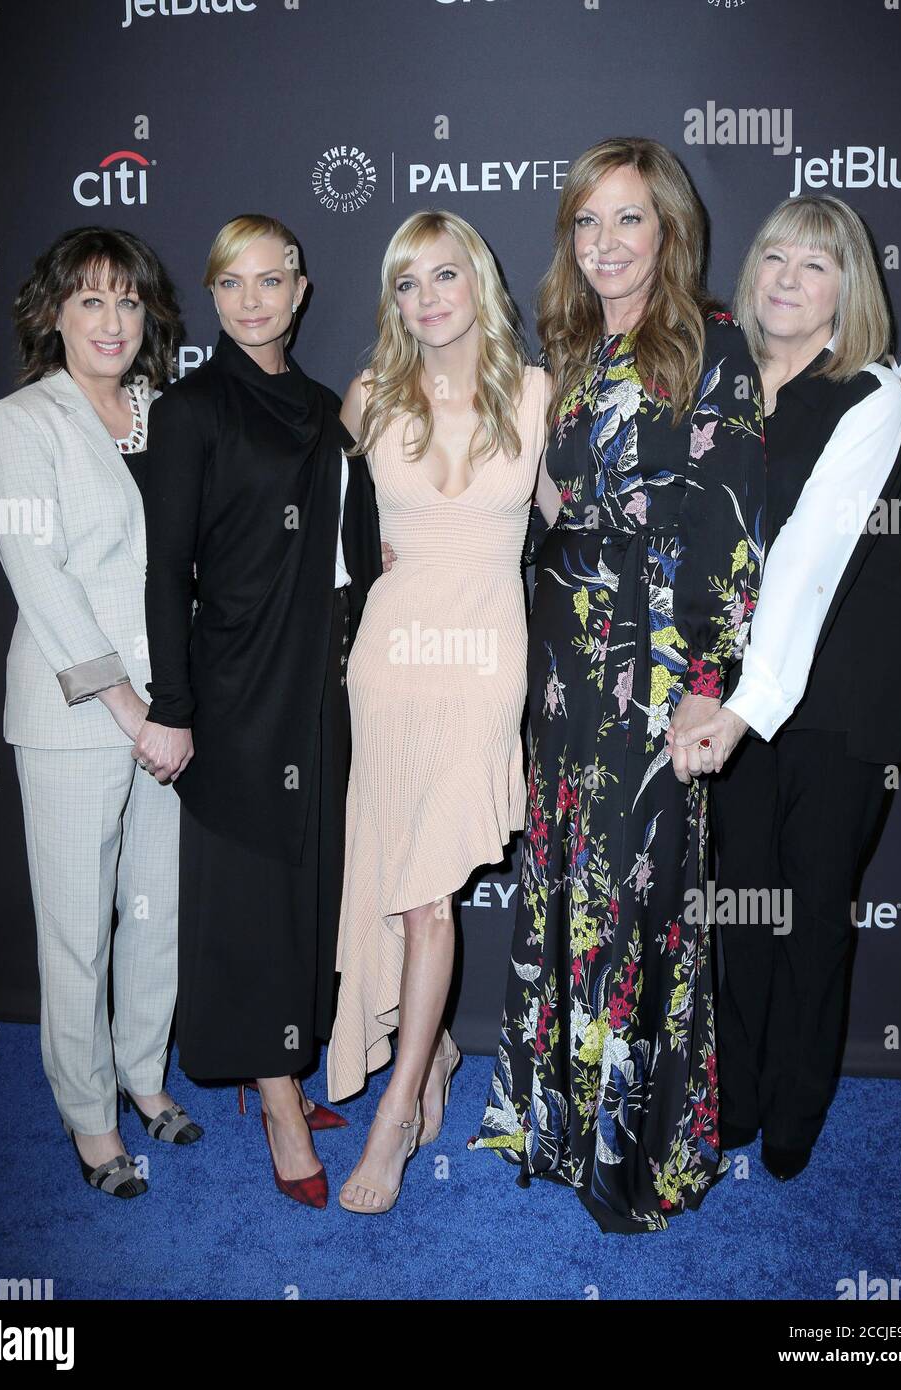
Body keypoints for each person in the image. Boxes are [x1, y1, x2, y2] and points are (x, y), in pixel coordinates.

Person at [470, 137, 766, 1234]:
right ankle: (556, 1124)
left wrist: (704, 682)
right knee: (565, 887)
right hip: (564, 668)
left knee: (637, 900)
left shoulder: (713, 344)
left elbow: (729, 526)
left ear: (667, 229)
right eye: (586, 223)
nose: (604, 244)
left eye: (627, 219)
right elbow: (547, 509)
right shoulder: (573, 348)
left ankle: (632, 1154)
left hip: (652, 673)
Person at [669, 195, 901, 1181]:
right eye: (772, 255)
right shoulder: (716, 378)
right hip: (735, 685)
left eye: (813, 266)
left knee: (809, 908)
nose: (784, 277)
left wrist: (738, 706)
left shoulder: (871, 395)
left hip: (835, 695)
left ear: (844, 289)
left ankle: (795, 1106)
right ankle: (733, 1089)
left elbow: (809, 560)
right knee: (742, 902)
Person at [135, 214, 382, 1209]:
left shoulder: (327, 409)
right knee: (242, 887)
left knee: (299, 885)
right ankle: (277, 1098)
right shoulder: (192, 408)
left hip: (317, 678)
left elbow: (354, 549)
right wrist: (172, 705)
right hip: (232, 685)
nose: (250, 299)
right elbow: (165, 573)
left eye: (268, 280)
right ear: (213, 292)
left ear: (301, 287)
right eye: (229, 282)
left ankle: (275, 1057)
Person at [328, 209, 552, 1213]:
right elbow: (316, 531)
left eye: (443, 277)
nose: (424, 299)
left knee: (429, 888)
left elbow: (578, 529)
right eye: (405, 283)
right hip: (389, 660)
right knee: (406, 886)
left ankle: (395, 1119)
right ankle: (424, 1069)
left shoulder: (537, 393)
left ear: (480, 285)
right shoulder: (368, 397)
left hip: (484, 660)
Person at [0, 226, 201, 1200]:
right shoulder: (22, 422)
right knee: (78, 930)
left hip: (169, 712)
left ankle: (147, 1079)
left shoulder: (163, 412)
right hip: (79, 717)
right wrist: (128, 706)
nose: (111, 321)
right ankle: (91, 1120)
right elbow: (44, 583)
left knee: (154, 913)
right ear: (53, 313)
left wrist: (177, 703)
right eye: (90, 300)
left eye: (127, 301)